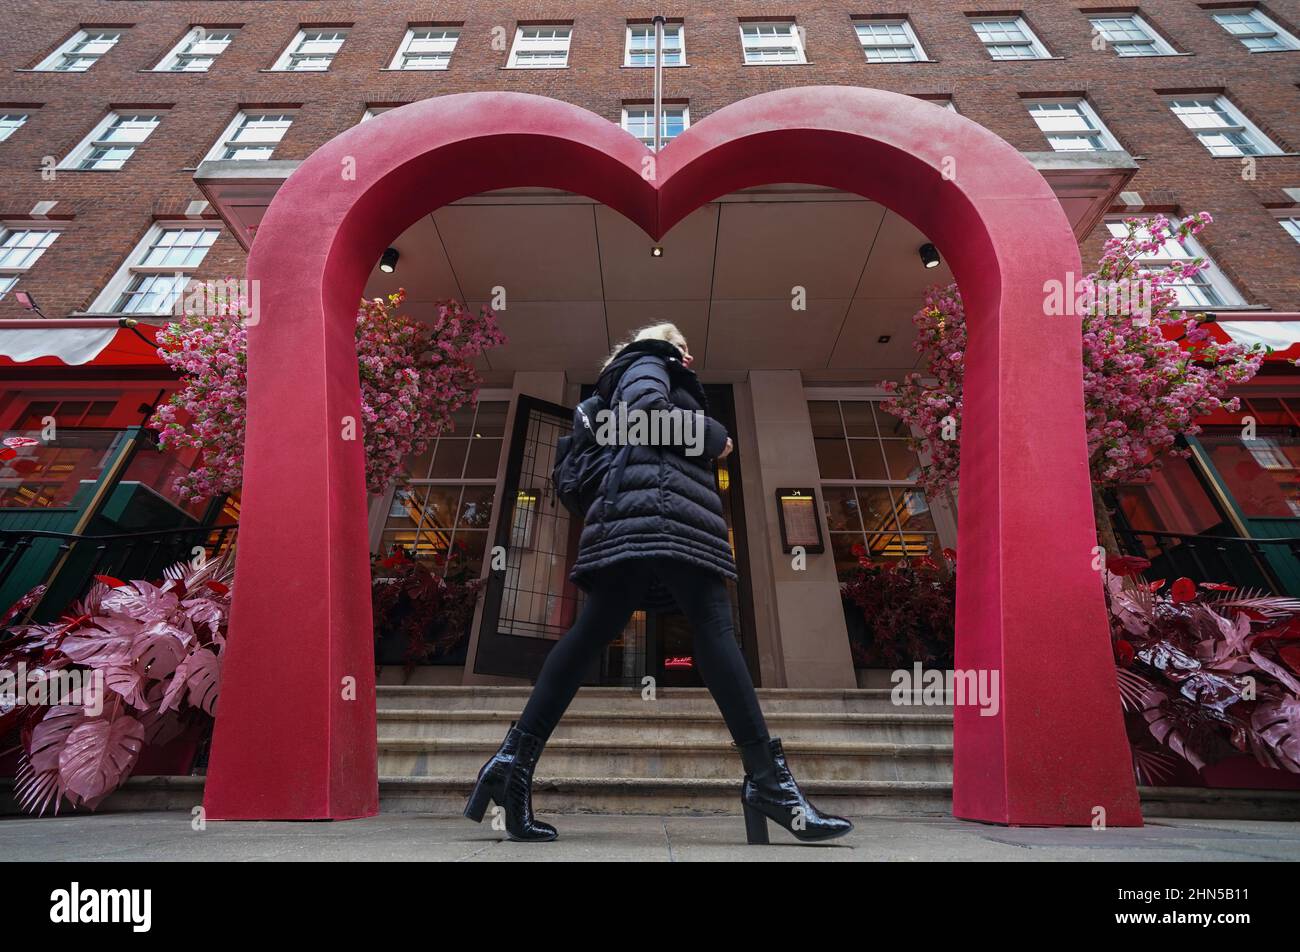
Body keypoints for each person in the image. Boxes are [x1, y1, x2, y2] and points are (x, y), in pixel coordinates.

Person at [463, 322, 853, 845]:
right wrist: (715, 439)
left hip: (636, 511)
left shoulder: (631, 372)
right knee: (713, 625)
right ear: (667, 344)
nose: (690, 358)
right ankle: (768, 784)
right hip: (662, 510)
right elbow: (646, 418)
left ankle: (511, 763)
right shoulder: (651, 362)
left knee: (592, 632)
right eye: (685, 348)